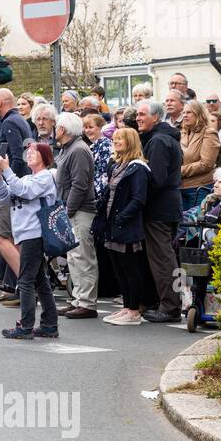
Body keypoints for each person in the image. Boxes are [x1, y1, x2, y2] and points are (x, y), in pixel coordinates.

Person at [0, 141, 59, 338]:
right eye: (28, 152)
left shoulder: (46, 177)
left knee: (25, 280)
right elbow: (5, 195)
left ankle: (26, 325)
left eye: (34, 152)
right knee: (39, 280)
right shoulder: (27, 177)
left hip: (35, 233)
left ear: (45, 157)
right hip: (26, 233)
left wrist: (7, 171)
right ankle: (49, 324)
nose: (29, 154)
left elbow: (24, 191)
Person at [94, 128, 152, 326]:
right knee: (118, 268)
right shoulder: (118, 165)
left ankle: (134, 310)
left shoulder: (138, 168)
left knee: (130, 268)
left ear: (131, 142)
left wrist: (122, 218)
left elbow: (139, 199)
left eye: (120, 139)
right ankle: (127, 307)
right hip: (112, 224)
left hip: (126, 225)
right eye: (115, 138)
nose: (116, 141)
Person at [137, 100, 183, 323]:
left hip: (159, 209)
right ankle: (167, 303)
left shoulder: (158, 141)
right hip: (166, 206)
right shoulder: (164, 138)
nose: (138, 118)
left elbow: (156, 178)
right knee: (166, 257)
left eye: (142, 114)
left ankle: (170, 307)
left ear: (156, 117)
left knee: (163, 259)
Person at [0, 88, 31, 304]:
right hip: (17, 185)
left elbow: (17, 158)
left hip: (12, 188)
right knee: (14, 240)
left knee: (0, 236)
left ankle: (26, 287)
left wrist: (9, 183)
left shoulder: (10, 123)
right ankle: (17, 286)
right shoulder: (20, 120)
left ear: (1, 102)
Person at [54, 113, 98, 319]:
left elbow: (79, 185)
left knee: (82, 256)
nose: (54, 130)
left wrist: (67, 210)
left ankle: (87, 302)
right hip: (73, 209)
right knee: (74, 257)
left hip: (80, 210)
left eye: (56, 126)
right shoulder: (70, 148)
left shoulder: (78, 150)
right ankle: (78, 299)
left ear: (63, 130)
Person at [179, 99, 220, 212]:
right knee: (183, 226)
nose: (185, 115)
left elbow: (206, 164)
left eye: (189, 112)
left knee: (196, 225)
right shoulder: (183, 133)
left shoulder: (208, 132)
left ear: (198, 114)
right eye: (183, 113)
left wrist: (179, 171)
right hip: (181, 187)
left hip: (200, 187)